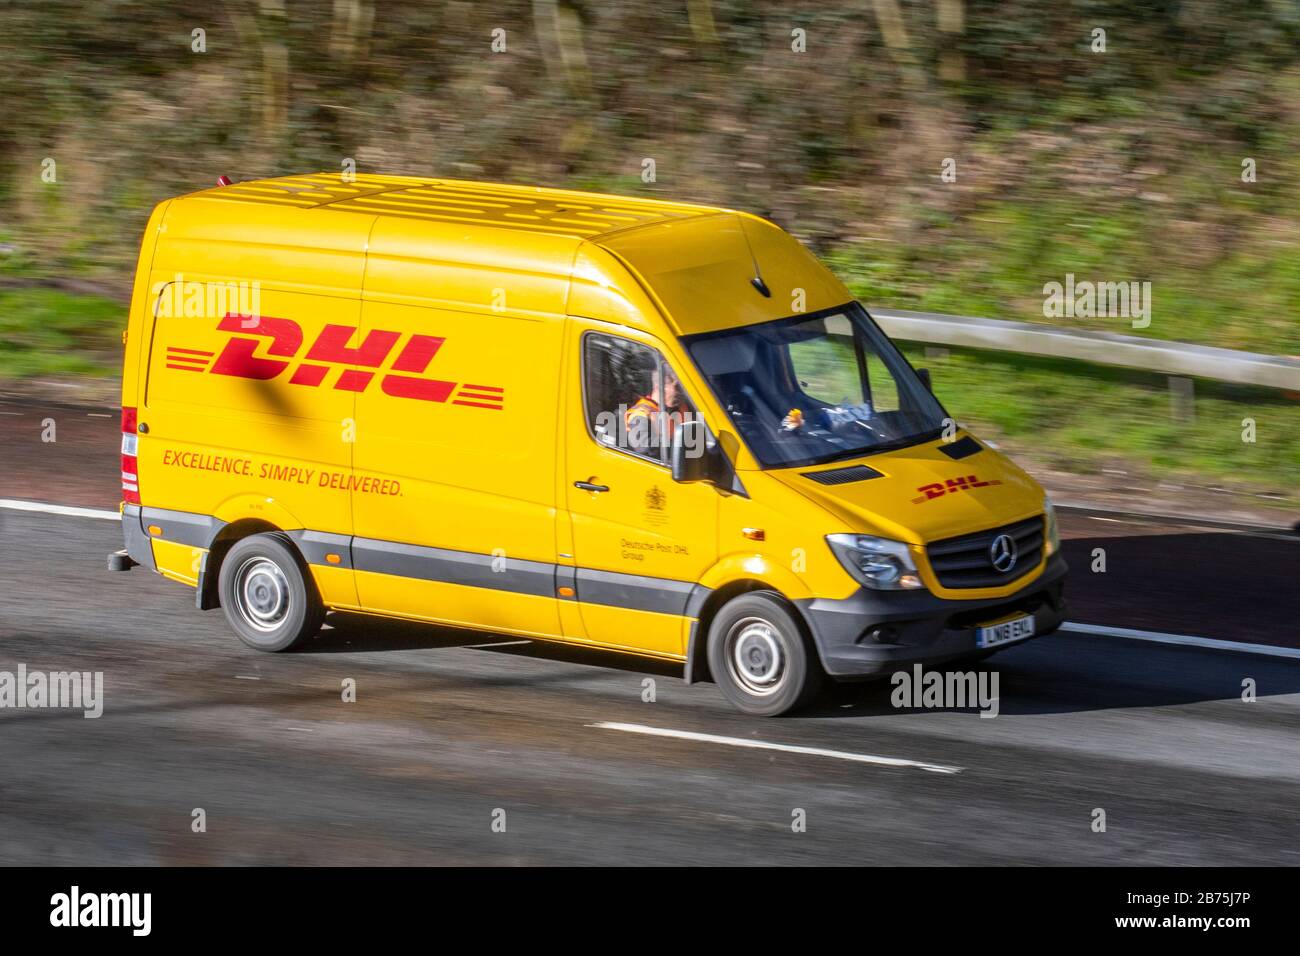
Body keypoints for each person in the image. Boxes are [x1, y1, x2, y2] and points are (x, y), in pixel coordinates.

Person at [625, 363, 691, 456]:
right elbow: (645, 449)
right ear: (660, 387)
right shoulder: (641, 414)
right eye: (677, 387)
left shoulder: (680, 406)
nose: (682, 393)